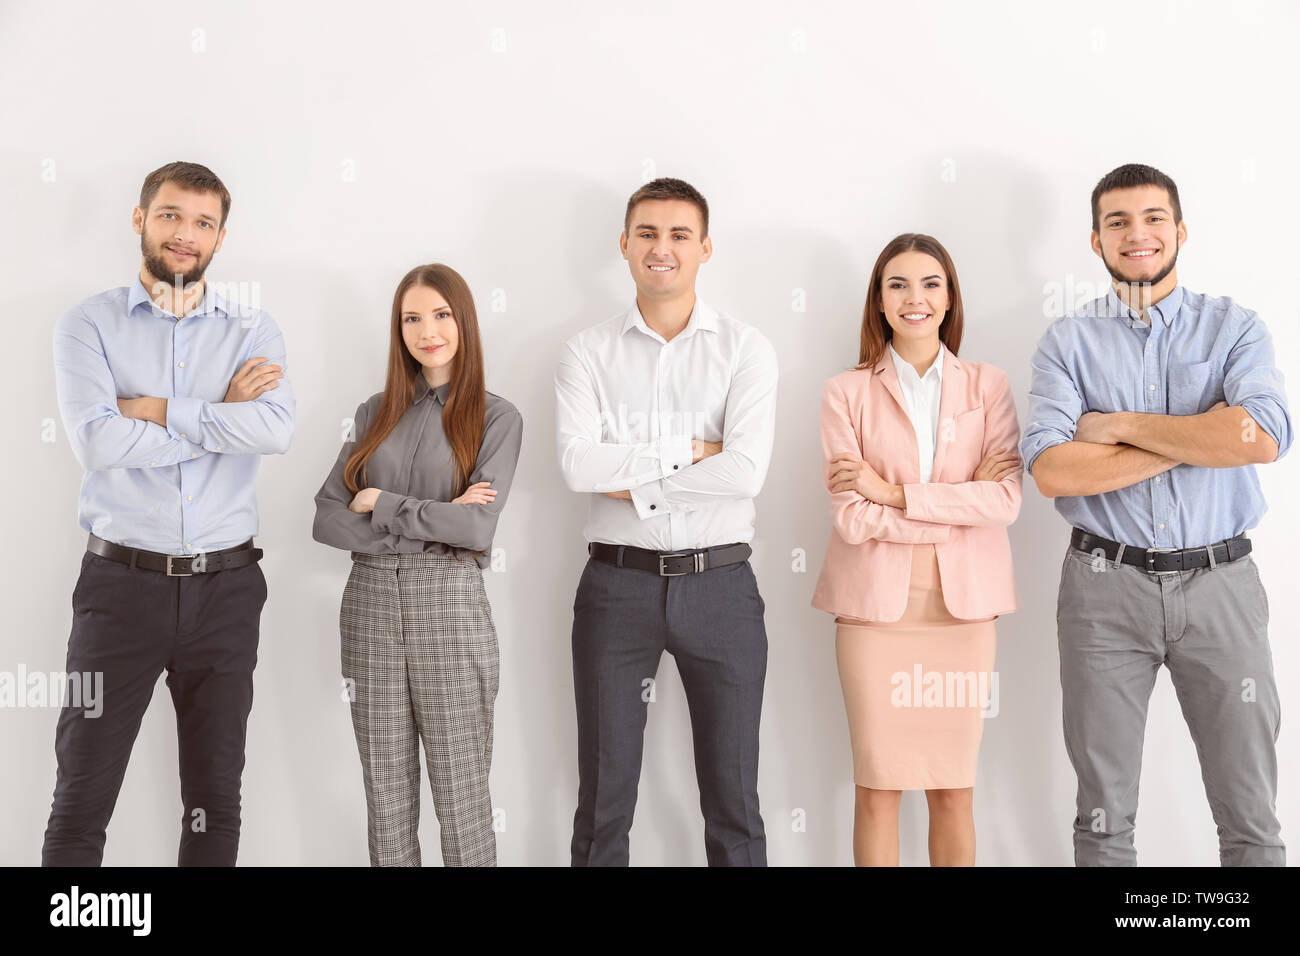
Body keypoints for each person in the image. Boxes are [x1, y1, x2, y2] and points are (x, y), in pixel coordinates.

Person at [1020, 162, 1291, 866]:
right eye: (1118, 222)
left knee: (1251, 815)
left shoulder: (1235, 328)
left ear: (1180, 230)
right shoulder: (1066, 343)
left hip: (1222, 586)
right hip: (1102, 590)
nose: (1137, 234)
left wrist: (1118, 427)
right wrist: (1200, 433)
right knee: (1104, 818)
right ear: (1095, 240)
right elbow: (1052, 470)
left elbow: (1258, 437)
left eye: (1152, 218)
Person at [44, 161, 295, 866]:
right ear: (140, 218)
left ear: (220, 236)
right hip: (120, 590)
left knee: (215, 800)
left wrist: (156, 409)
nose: (185, 235)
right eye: (171, 215)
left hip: (228, 588)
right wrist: (223, 414)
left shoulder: (253, 328)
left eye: (203, 222)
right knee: (81, 796)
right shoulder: (88, 324)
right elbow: (97, 441)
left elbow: (274, 431)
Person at [556, 177, 778, 866]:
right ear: (624, 246)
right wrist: (687, 453)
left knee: (734, 800)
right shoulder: (586, 351)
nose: (663, 248)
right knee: (605, 801)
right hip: (616, 589)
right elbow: (578, 467)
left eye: (680, 234)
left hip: (722, 588)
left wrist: (640, 484)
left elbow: (744, 473)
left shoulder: (746, 349)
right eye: (648, 233)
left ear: (705, 248)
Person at [813, 233, 1021, 866]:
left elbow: (1005, 502)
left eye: (931, 283)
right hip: (876, 613)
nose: (915, 298)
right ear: (878, 301)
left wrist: (894, 493)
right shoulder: (845, 392)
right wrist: (953, 509)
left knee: (953, 789)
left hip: (962, 614)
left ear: (950, 296)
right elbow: (852, 517)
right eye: (897, 284)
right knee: (878, 789)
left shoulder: (988, 386)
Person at [313, 263, 522, 867]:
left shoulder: (496, 416)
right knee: (385, 797)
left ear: (464, 322)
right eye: (411, 318)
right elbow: (326, 518)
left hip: (451, 609)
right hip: (370, 608)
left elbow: (477, 526)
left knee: (461, 800)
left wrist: (383, 503)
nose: (426, 330)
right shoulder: (374, 411)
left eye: (440, 315)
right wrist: (435, 519)